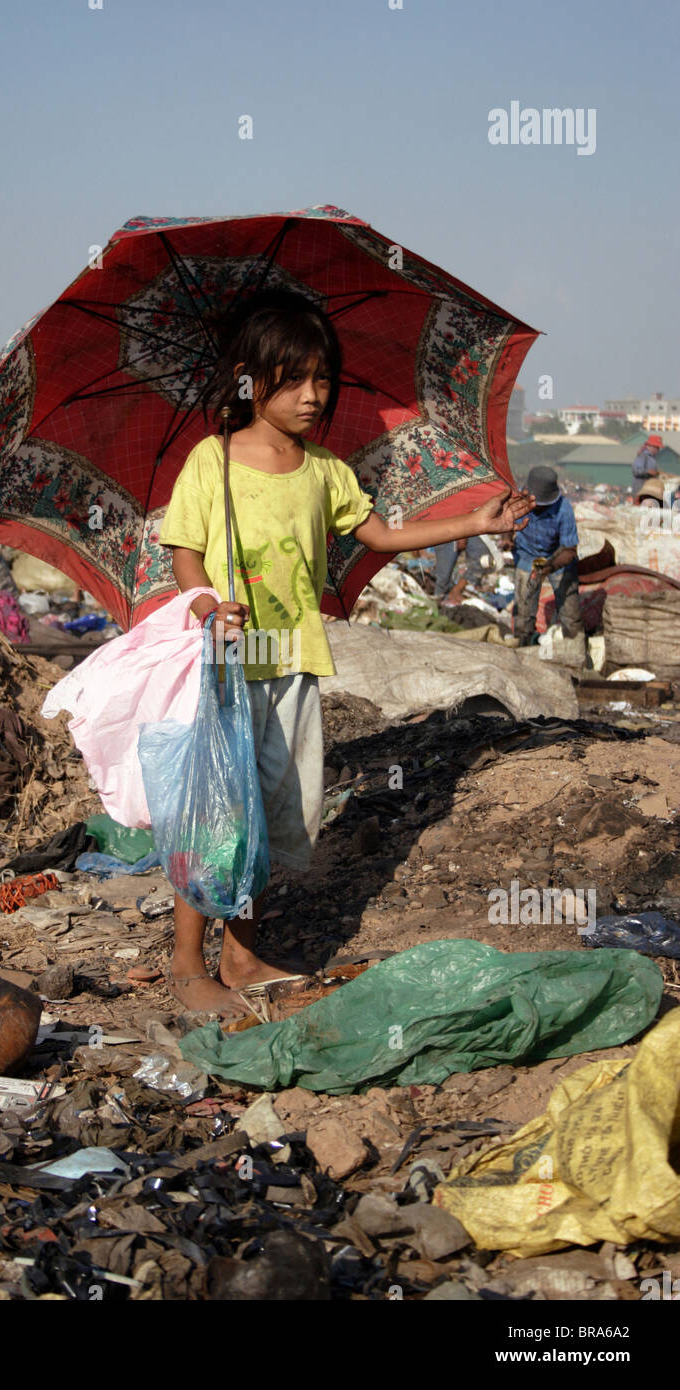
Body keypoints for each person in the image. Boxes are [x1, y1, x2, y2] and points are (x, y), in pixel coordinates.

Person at [157, 290, 535, 1017]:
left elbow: (382, 537)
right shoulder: (213, 462)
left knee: (270, 814)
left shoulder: (324, 471)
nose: (311, 395)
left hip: (294, 662)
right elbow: (184, 552)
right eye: (292, 379)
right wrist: (207, 603)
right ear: (249, 379)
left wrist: (473, 520)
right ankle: (184, 962)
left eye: (321, 379)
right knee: (217, 813)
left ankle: (239, 954)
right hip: (229, 666)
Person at [512, 465, 583, 647]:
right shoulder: (518, 501)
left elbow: (569, 550)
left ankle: (575, 649)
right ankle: (522, 646)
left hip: (556, 556)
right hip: (527, 554)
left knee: (570, 612)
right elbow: (507, 522)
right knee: (524, 609)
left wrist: (549, 567)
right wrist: (507, 539)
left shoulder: (564, 509)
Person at [631, 435, 662, 499]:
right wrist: (649, 472)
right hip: (640, 490)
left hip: (648, 491)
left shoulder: (652, 458)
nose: (657, 450)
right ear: (649, 446)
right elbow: (636, 471)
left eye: (658, 448)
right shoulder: (643, 456)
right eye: (656, 447)